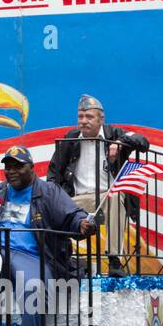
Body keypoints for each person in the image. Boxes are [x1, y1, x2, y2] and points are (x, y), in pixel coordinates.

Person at [0, 145, 96, 326]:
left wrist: (82, 224)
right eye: (8, 167)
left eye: (18, 166)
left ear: (32, 168)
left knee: (33, 289)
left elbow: (72, 215)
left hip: (30, 254)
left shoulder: (48, 191)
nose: (12, 171)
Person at [45, 94, 149, 270]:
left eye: (89, 117)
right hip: (77, 199)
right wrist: (54, 198)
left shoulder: (113, 134)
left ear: (101, 119)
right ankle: (60, 258)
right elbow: (54, 172)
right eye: (80, 116)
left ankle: (114, 259)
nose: (84, 121)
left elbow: (143, 142)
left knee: (116, 197)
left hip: (106, 197)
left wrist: (120, 141)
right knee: (50, 206)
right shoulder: (70, 138)